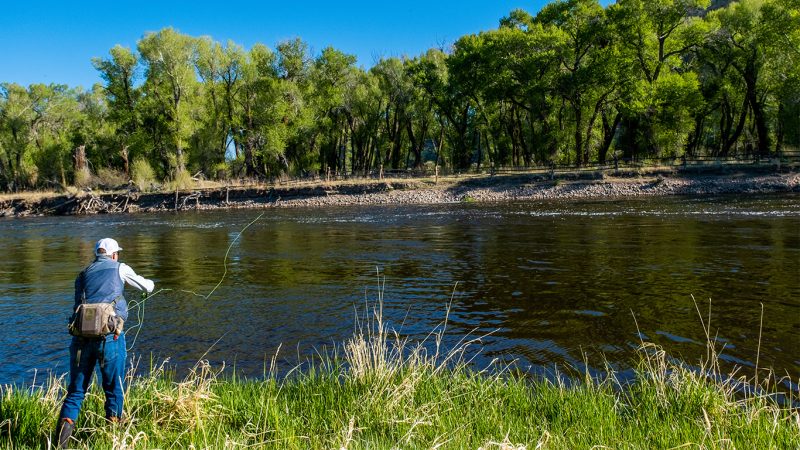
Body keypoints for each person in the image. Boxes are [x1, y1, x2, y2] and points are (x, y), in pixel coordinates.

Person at [56, 238, 154, 448]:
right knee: (113, 387)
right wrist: (151, 285)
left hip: (80, 340)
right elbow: (147, 287)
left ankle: (59, 445)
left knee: (75, 391)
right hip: (110, 338)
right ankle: (113, 439)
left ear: (97, 254)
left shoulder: (82, 275)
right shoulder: (120, 268)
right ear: (114, 254)